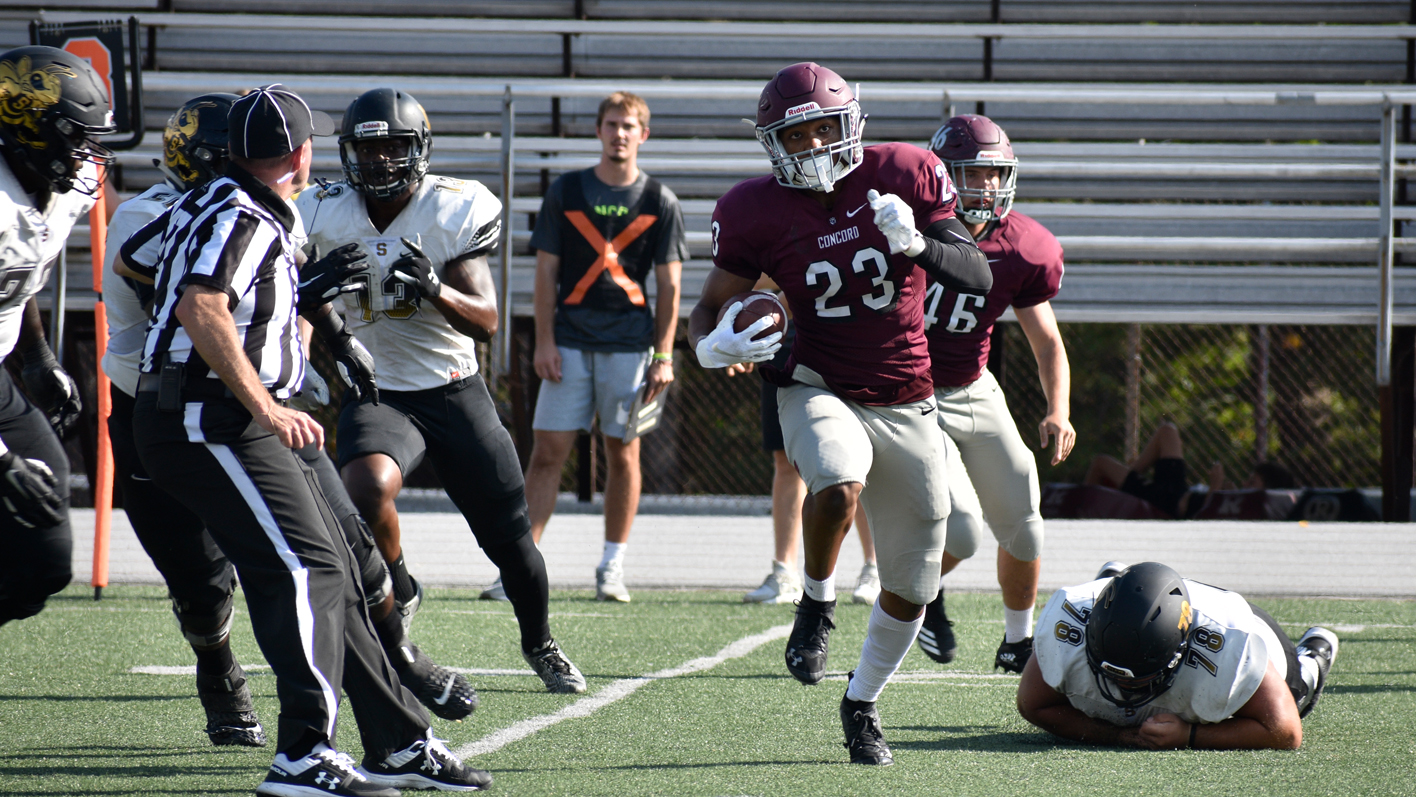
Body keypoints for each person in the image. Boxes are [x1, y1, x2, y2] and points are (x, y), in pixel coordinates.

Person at [127, 84, 489, 795]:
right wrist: (264, 401)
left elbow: (138, 259)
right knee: (305, 569)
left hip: (241, 412)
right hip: (208, 418)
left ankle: (398, 741)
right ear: (300, 153)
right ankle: (303, 750)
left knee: (345, 564)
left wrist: (302, 314)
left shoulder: (217, 200)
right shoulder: (244, 214)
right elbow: (203, 306)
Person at [689, 62, 991, 765]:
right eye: (796, 136)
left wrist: (917, 243)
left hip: (907, 394)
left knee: (914, 586)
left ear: (851, 124)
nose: (814, 145)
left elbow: (976, 274)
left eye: (824, 128)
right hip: (815, 381)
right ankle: (817, 601)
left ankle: (861, 704)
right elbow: (709, 305)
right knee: (837, 478)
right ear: (773, 144)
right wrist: (708, 344)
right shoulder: (754, 208)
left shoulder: (906, 172)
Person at [295, 87, 586, 694]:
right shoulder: (320, 210)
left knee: (513, 543)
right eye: (367, 149)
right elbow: (295, 293)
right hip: (378, 390)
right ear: (348, 153)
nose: (380, 160)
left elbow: (487, 321)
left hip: (454, 391)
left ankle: (539, 641)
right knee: (365, 486)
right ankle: (400, 585)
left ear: (419, 150)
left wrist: (435, 288)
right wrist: (310, 329)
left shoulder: (452, 208)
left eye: (393, 147)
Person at [912, 115, 1074, 674]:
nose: (984, 186)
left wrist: (1058, 409)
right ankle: (917, 593)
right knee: (960, 528)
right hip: (908, 391)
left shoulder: (1023, 246)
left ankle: (1017, 642)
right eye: (972, 173)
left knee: (1024, 519)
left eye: (993, 174)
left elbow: (1047, 341)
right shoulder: (906, 228)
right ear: (943, 176)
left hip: (973, 385)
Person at [522, 91, 688, 603]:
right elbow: (545, 272)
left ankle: (612, 565)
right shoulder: (567, 190)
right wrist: (543, 341)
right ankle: (522, 566)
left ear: (644, 135)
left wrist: (663, 356)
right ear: (598, 131)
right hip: (568, 344)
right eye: (612, 124)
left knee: (624, 452)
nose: (619, 133)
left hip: (630, 347)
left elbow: (672, 285)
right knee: (546, 453)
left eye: (628, 125)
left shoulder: (659, 199)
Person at [0, 46, 112, 627]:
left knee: (43, 557)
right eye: (73, 136)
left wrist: (38, 357)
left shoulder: (68, 181)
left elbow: (20, 275)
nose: (86, 153)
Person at [1018, 561, 1338, 750]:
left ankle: (1312, 658)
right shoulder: (1070, 620)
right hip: (1151, 609)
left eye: (1136, 681)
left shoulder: (1230, 645)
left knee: (1297, 696)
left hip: (1249, 626)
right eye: (1110, 676)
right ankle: (1111, 580)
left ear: (1179, 653)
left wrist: (1191, 735)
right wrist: (1117, 734)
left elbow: (1285, 731)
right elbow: (1033, 704)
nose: (1122, 691)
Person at [733, 290, 879, 606]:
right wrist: (740, 333)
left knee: (857, 459)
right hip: (789, 341)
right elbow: (752, 277)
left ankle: (874, 567)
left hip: (848, 340)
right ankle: (784, 572)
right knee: (786, 460)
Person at [1084, 421, 1202, 518]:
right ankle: (1130, 473)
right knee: (1167, 430)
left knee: (1100, 462)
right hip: (1178, 490)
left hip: (1165, 505)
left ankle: (1081, 515)